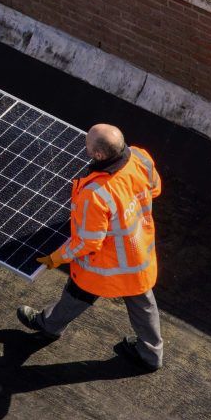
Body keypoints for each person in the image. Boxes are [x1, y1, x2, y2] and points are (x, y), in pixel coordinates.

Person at [17, 123, 165, 371]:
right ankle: (151, 355)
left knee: (78, 293)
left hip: (104, 263)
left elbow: (88, 242)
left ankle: (49, 326)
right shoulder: (141, 157)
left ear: (98, 154)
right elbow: (155, 189)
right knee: (143, 303)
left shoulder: (95, 193)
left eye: (87, 145)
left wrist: (55, 258)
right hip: (138, 253)